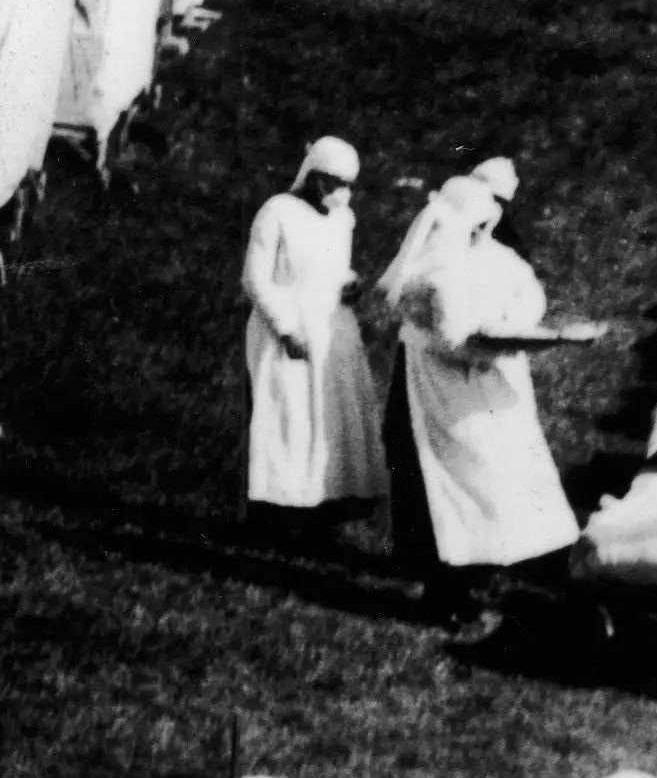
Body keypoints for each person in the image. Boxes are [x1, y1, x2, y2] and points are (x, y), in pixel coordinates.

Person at [379, 158, 579, 638]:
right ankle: (445, 588)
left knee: (492, 472)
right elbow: (450, 337)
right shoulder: (428, 272)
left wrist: (520, 327)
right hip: (436, 384)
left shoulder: (494, 258)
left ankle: (486, 569)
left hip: (485, 383)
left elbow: (526, 294)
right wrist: (502, 339)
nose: (479, 235)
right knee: (436, 480)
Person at [243, 138, 388, 540]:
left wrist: (349, 284)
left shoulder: (342, 218)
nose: (340, 192)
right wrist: (286, 329)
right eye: (332, 182)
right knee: (288, 419)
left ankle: (325, 510)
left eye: (347, 184)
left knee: (331, 420)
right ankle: (279, 514)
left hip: (331, 330)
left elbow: (333, 268)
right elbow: (255, 279)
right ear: (313, 176)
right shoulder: (276, 212)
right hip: (286, 332)